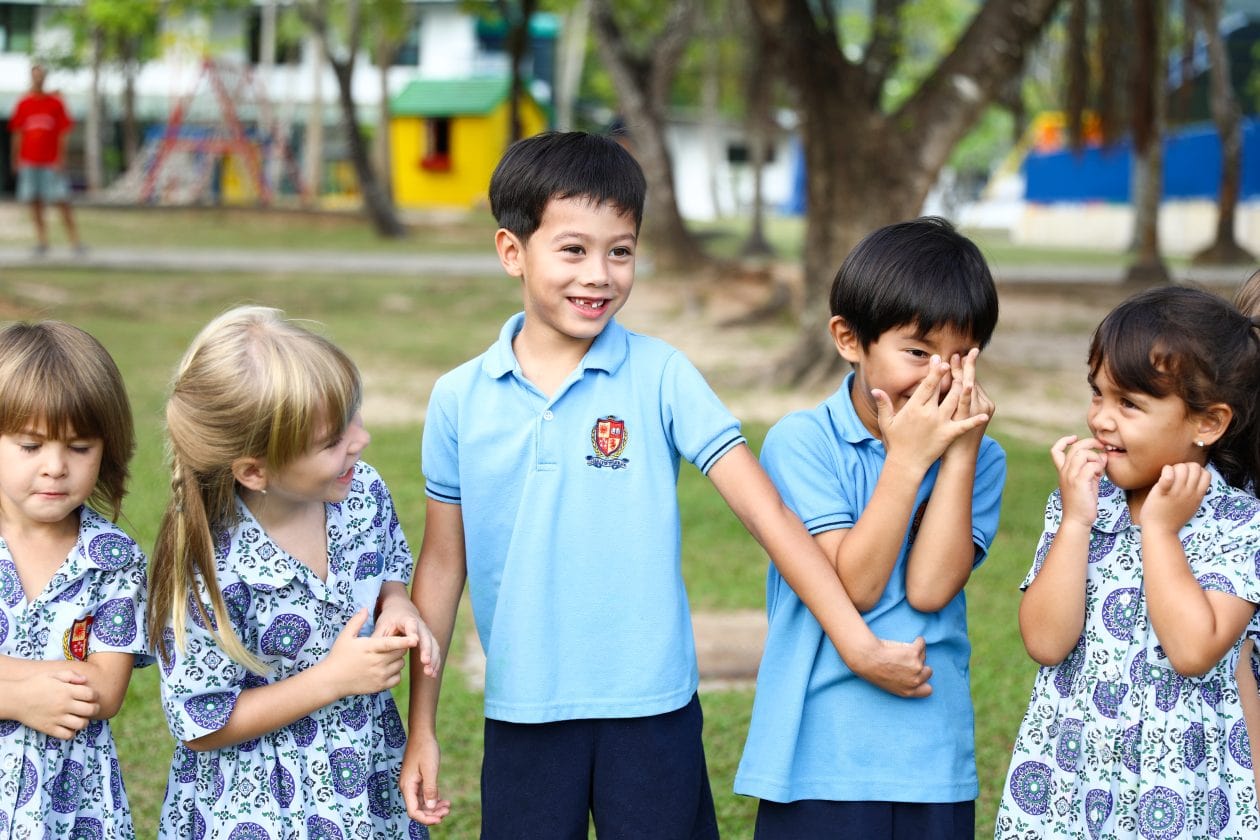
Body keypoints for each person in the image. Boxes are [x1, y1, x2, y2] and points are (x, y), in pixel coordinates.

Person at [399, 131, 934, 838]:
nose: (599, 274)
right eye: (573, 249)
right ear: (511, 252)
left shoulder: (662, 375)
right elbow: (442, 564)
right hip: (523, 714)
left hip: (653, 714)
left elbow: (764, 512)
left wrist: (855, 642)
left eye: (620, 251)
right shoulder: (459, 398)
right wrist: (422, 726)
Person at [734, 217, 1005, 839]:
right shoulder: (803, 442)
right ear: (849, 339)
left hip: (931, 758)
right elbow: (855, 584)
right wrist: (907, 461)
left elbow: (931, 590)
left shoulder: (981, 459)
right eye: (917, 352)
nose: (939, 377)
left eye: (958, 357)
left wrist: (958, 453)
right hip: (820, 757)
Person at [147, 306, 443, 839]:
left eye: (354, 416)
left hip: (365, 778)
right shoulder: (210, 565)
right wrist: (332, 679)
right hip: (261, 805)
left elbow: (388, 569)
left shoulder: (362, 494)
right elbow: (201, 724)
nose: (362, 438)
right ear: (255, 470)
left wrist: (396, 604)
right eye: (332, 441)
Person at [995, 286, 1260, 838]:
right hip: (1069, 777)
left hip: (1182, 788)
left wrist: (1159, 532)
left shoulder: (1238, 523)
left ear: (1207, 424)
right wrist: (1074, 523)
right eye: (1098, 395)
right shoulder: (1084, 505)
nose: (1101, 420)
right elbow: (1045, 642)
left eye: (1130, 404)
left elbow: (1193, 650)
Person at [0, 321, 148, 836]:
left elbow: (106, 691)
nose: (56, 467)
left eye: (80, 447)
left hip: (73, 807)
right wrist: (17, 698)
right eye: (30, 445)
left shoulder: (113, 560)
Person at [8, 63, 83, 256]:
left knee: (61, 200)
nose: (38, 79)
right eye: (35, 75)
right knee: (35, 202)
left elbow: (63, 133)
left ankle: (75, 242)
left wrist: (61, 157)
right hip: (29, 160)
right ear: (31, 77)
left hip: (51, 161)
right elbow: (17, 133)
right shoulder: (24, 103)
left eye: (41, 75)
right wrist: (15, 158)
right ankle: (42, 241)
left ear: (45, 78)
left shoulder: (55, 103)